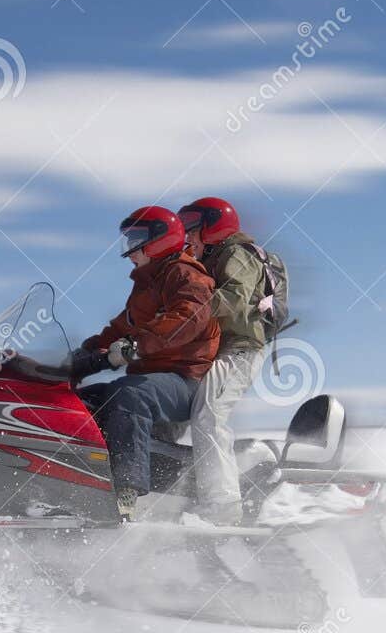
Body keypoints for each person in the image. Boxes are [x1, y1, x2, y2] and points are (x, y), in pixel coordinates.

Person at [73, 206, 220, 521]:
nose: (128, 252)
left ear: (160, 240)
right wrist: (80, 357)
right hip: (150, 379)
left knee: (129, 395)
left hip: (183, 382)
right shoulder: (146, 284)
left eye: (135, 240)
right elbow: (119, 329)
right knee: (80, 402)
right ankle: (71, 484)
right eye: (127, 240)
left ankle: (125, 492)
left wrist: (135, 346)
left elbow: (188, 319)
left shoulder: (187, 275)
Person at [179, 196, 273, 526]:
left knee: (208, 412)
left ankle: (223, 504)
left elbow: (234, 298)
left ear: (213, 226)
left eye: (191, 227)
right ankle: (168, 493)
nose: (186, 235)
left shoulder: (236, 254)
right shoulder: (212, 258)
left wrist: (183, 314)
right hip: (214, 350)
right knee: (173, 410)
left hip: (241, 349)